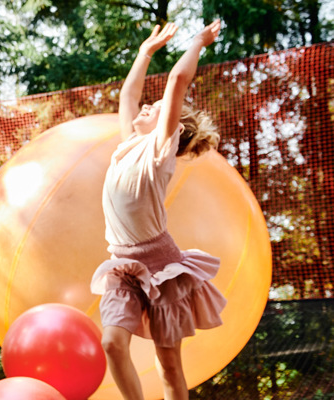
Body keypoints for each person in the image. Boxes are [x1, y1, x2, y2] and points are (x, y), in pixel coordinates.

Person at [90, 20, 228, 400]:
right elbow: (127, 97)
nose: (145, 106)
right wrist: (143, 53)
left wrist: (199, 42)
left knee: (169, 367)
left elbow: (176, 83)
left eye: (153, 109)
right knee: (112, 344)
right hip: (123, 266)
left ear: (167, 130)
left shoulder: (158, 151)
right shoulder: (129, 144)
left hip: (163, 270)